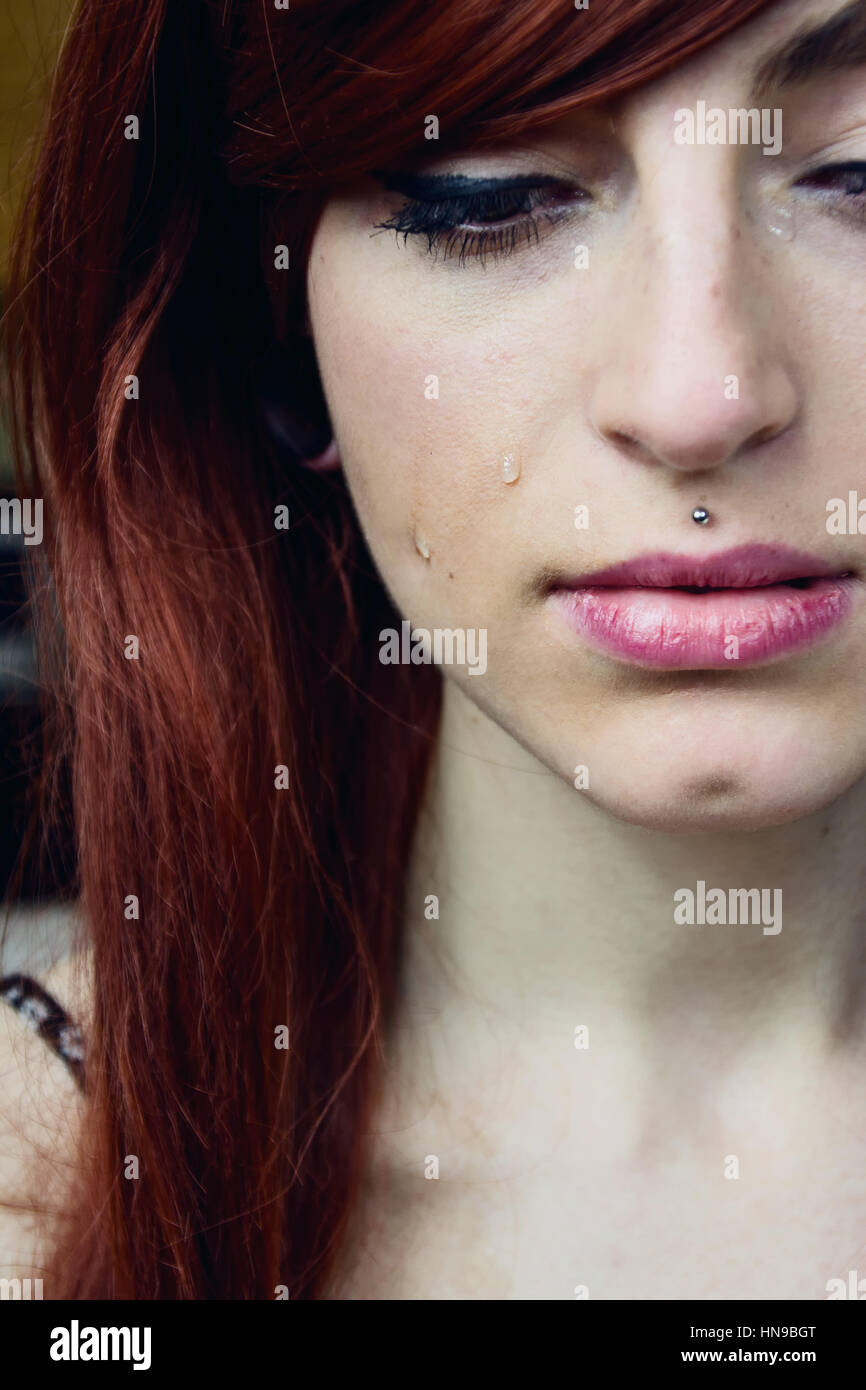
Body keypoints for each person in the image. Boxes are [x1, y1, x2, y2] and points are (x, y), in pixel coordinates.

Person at [2, 0, 866, 1300]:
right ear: (271, 319)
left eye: (856, 173)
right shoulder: (29, 1203)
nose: (699, 394)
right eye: (488, 195)